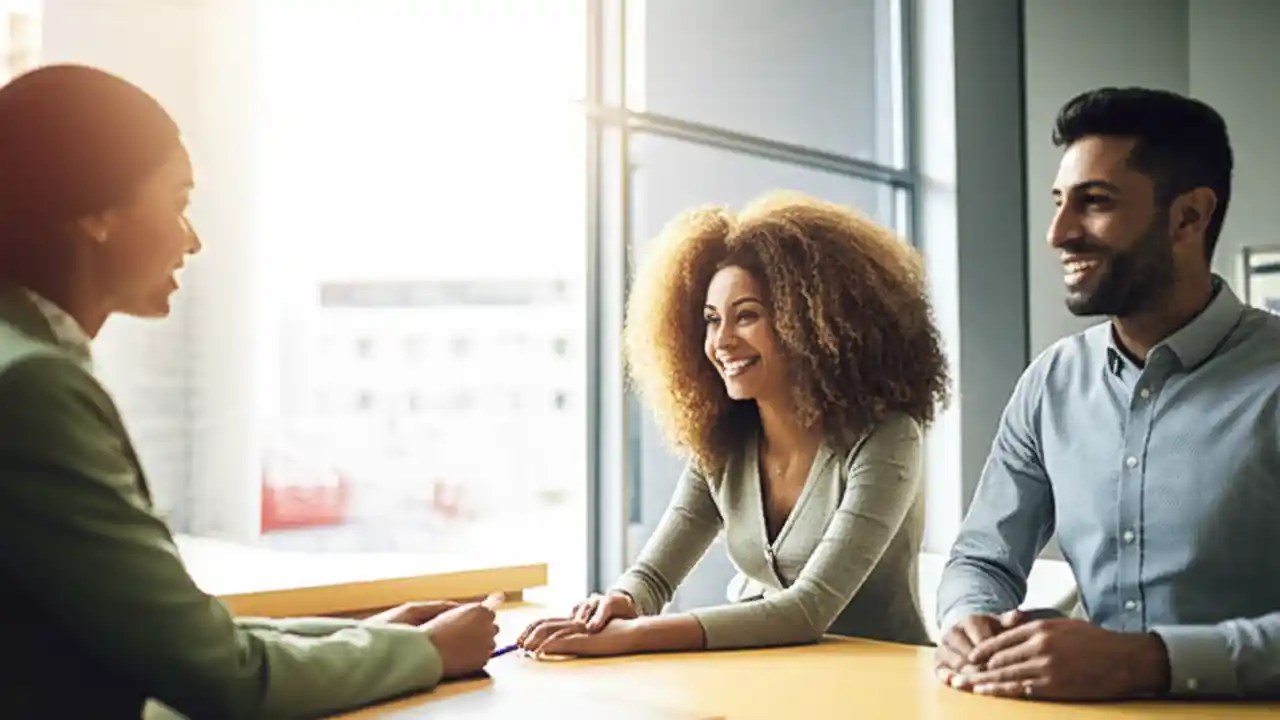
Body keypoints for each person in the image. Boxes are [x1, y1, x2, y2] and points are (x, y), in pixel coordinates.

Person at [0, 65, 500, 719]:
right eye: (178, 202)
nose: (193, 239)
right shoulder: (36, 387)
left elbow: (179, 639)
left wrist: (385, 638)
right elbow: (218, 675)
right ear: (96, 211)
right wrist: (424, 656)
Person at [936, 86, 1280, 700]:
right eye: (1059, 202)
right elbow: (982, 560)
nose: (1058, 233)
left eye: (1094, 203)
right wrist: (970, 620)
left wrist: (1146, 662)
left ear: (1189, 217)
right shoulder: (1050, 383)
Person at [518, 192, 950, 657]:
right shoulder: (724, 442)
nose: (721, 341)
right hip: (760, 676)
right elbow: (653, 578)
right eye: (710, 320)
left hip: (880, 685)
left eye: (746, 316)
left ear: (808, 322)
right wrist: (615, 606)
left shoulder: (886, 437)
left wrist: (635, 636)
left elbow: (807, 609)